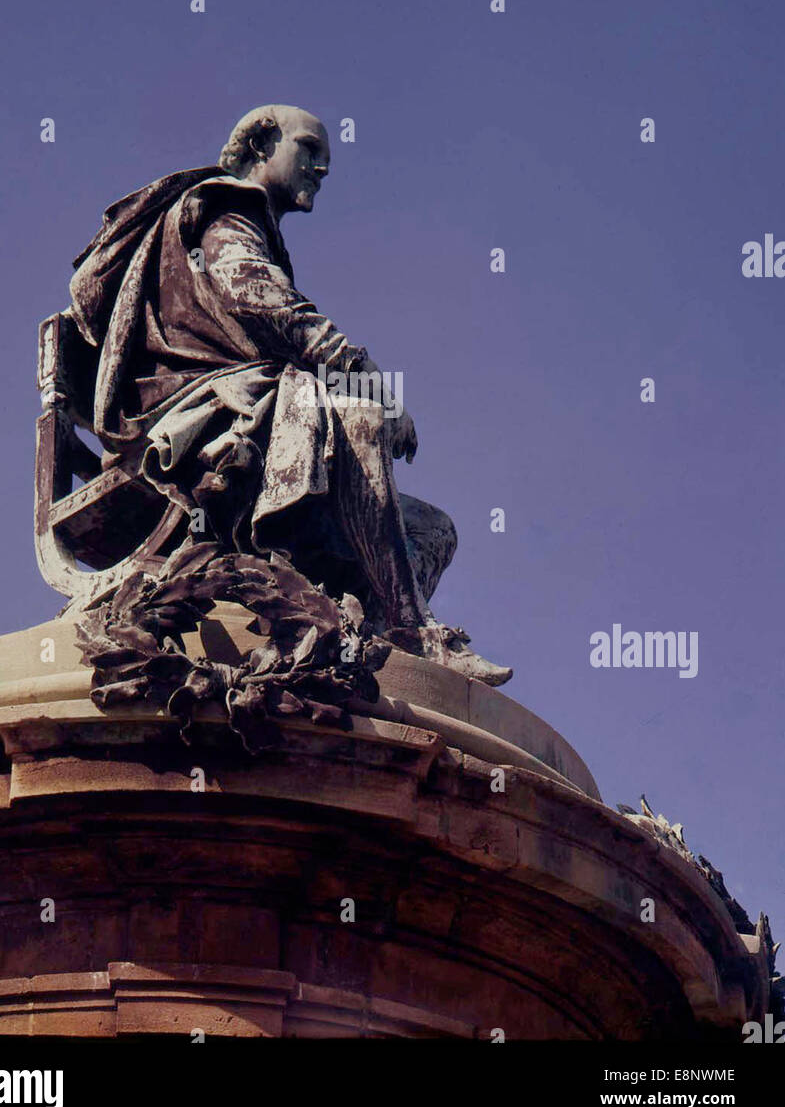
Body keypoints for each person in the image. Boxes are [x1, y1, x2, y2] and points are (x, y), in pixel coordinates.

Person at [69, 104, 512, 685]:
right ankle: (416, 631)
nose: (322, 169)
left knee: (433, 529)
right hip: (195, 412)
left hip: (255, 407)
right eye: (308, 149)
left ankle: (365, 649)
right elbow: (263, 300)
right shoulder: (225, 210)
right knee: (360, 420)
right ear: (259, 147)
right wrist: (366, 378)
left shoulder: (251, 223)